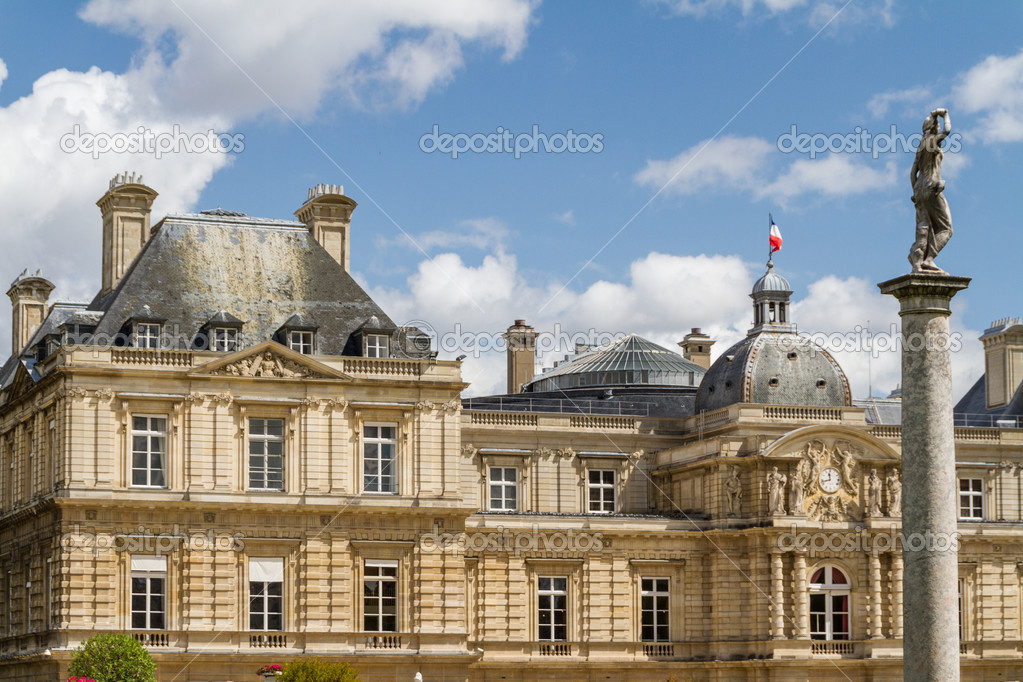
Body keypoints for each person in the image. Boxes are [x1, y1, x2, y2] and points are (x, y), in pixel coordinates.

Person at [908, 108, 953, 273]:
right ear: (934, 128)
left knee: (924, 226)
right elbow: (948, 130)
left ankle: (917, 259)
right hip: (932, 186)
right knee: (946, 228)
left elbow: (913, 173)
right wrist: (945, 114)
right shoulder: (933, 140)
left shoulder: (920, 146)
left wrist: (915, 192)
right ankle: (929, 259)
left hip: (919, 189)